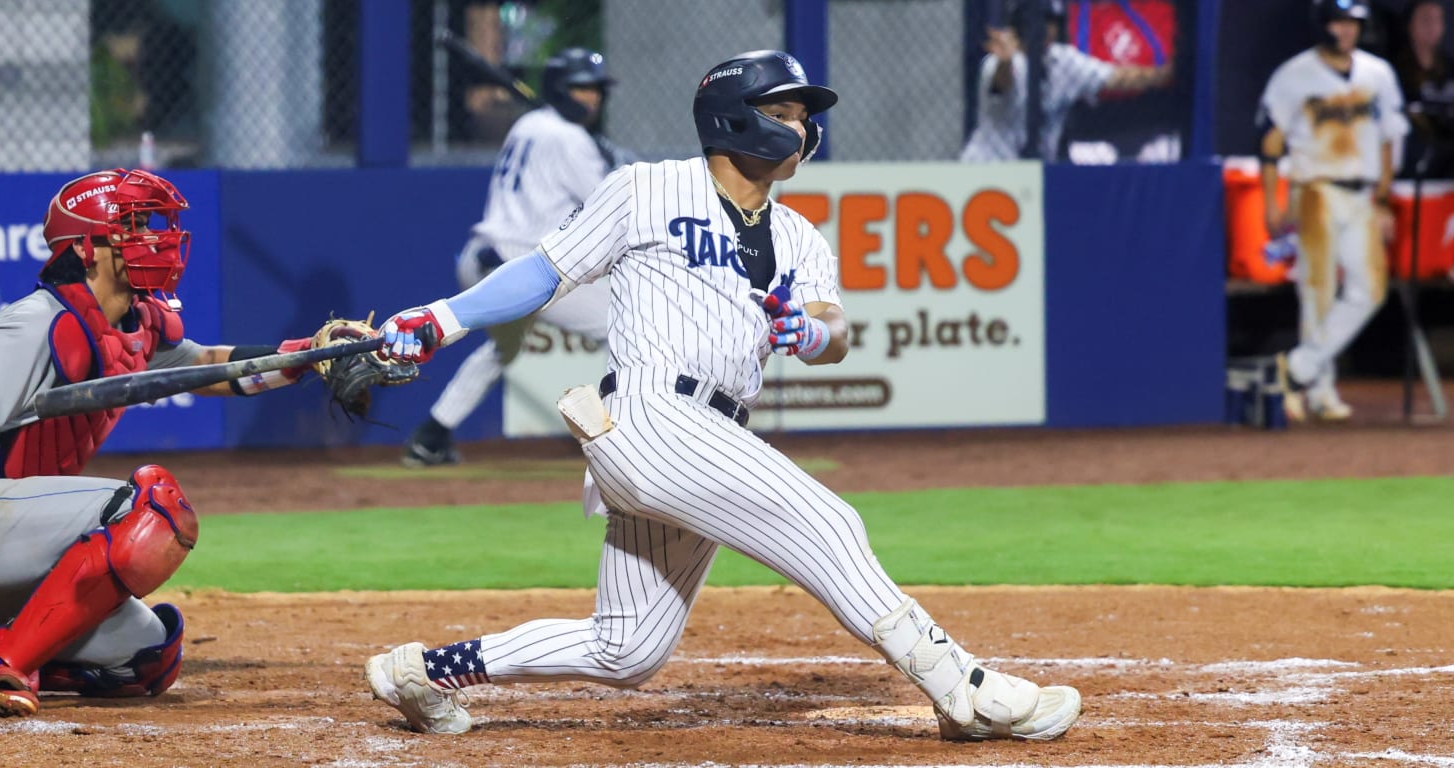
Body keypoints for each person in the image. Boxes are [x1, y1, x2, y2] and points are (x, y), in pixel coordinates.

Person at [364, 50, 1081, 743]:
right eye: (786, 110)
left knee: (628, 648)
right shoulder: (645, 189)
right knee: (829, 523)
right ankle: (962, 688)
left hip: (708, 437)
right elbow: (542, 274)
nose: (802, 126)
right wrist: (441, 318)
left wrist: (811, 333)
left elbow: (836, 330)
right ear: (735, 118)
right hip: (650, 417)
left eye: (805, 114)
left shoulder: (800, 236)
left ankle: (423, 672)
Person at [0, 169, 347, 716]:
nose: (155, 237)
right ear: (85, 247)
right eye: (133, 226)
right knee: (151, 507)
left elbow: (209, 367)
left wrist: (306, 356)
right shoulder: (36, 324)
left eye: (149, 224)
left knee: (147, 657)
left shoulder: (129, 326)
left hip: (0, 532)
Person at [402, 47, 623, 467]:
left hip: (486, 256)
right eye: (581, 89)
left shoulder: (531, 123)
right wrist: (616, 165)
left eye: (596, 90)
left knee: (502, 350)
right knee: (622, 328)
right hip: (529, 265)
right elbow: (608, 204)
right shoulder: (568, 137)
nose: (591, 98)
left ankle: (431, 436)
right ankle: (635, 435)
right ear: (561, 89)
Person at [1264, 0, 1408, 421]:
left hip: (1362, 192)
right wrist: (1272, 201)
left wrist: (1383, 200)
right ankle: (1320, 391)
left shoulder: (1377, 73)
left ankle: (1296, 370)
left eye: (1353, 23)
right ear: (1322, 25)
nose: (1347, 31)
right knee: (1318, 292)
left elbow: (1388, 139)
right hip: (1316, 188)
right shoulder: (1294, 75)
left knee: (1370, 290)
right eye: (1340, 22)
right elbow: (1271, 141)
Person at [959, 0, 1172, 162]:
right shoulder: (1001, 62)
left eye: (1052, 22)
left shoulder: (1064, 60)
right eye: (1041, 21)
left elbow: (1117, 78)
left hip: (1034, 176)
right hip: (989, 166)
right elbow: (1002, 84)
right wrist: (1004, 63)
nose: (1046, 29)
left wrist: (1166, 74)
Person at [1395, 0, 1454, 178]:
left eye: (1437, 20)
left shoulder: (1450, 68)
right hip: (1411, 166)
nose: (1432, 26)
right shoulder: (1396, 72)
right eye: (1426, 19)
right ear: (1410, 25)